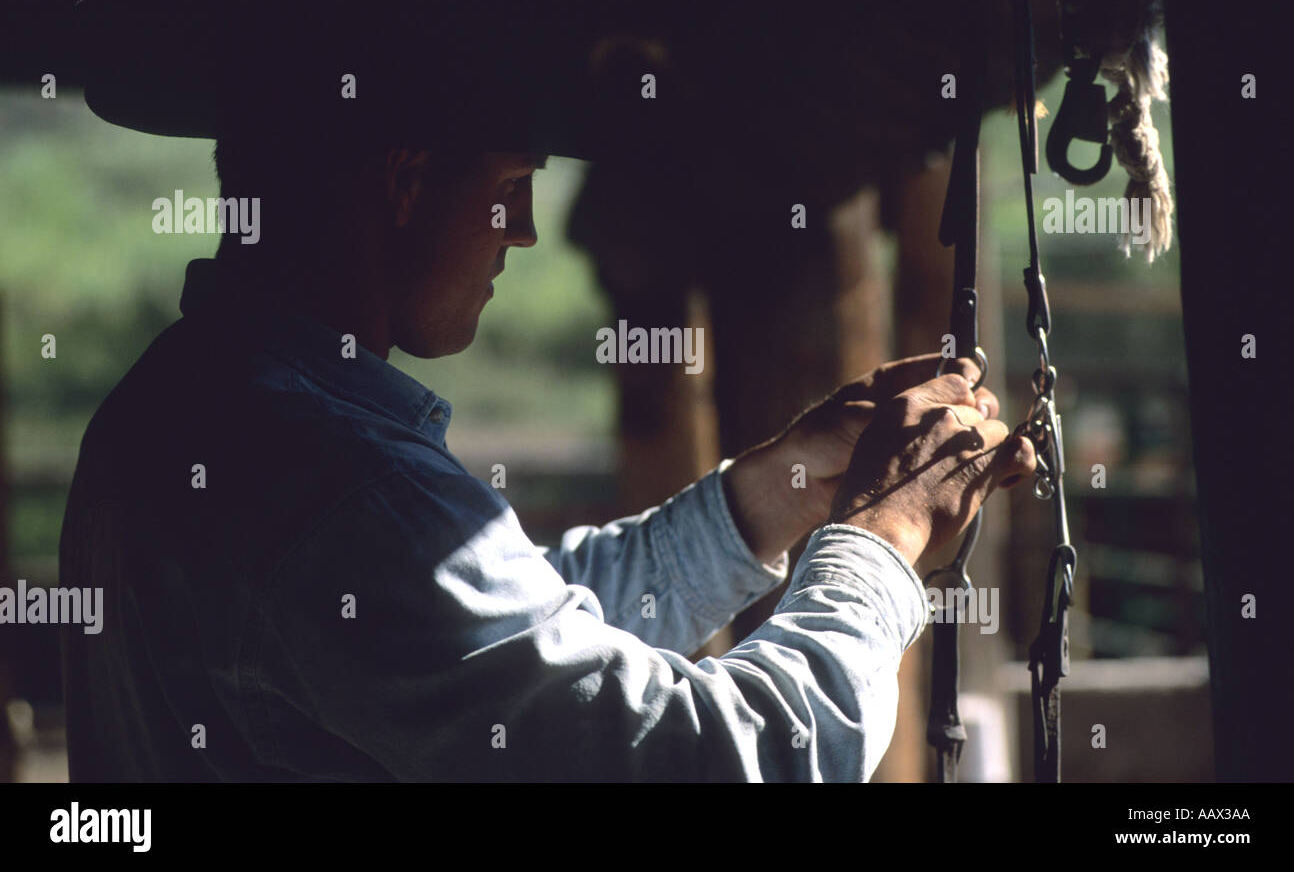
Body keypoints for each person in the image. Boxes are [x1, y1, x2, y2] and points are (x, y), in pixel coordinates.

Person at [58, 135, 1035, 781]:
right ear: (404, 181)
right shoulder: (337, 483)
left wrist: (774, 491)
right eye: (509, 187)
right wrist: (883, 535)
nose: (525, 230)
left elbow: (502, 639)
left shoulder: (172, 405)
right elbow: (722, 758)